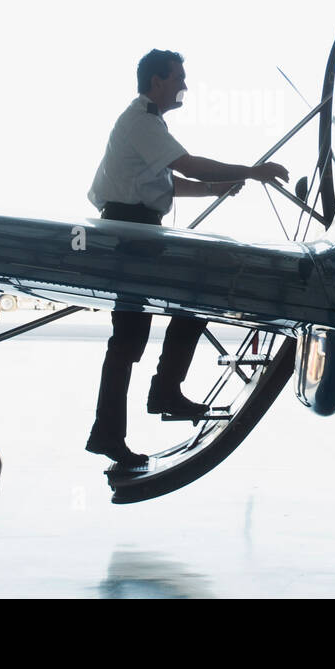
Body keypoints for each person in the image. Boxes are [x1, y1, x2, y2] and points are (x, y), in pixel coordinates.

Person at [85, 49, 289, 469]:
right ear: (156, 81)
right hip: (130, 232)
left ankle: (150, 401)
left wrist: (217, 190)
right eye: (177, 78)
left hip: (137, 229)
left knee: (145, 329)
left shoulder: (147, 123)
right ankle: (148, 403)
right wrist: (252, 171)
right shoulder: (141, 120)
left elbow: (166, 182)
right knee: (151, 324)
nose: (184, 86)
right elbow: (190, 167)